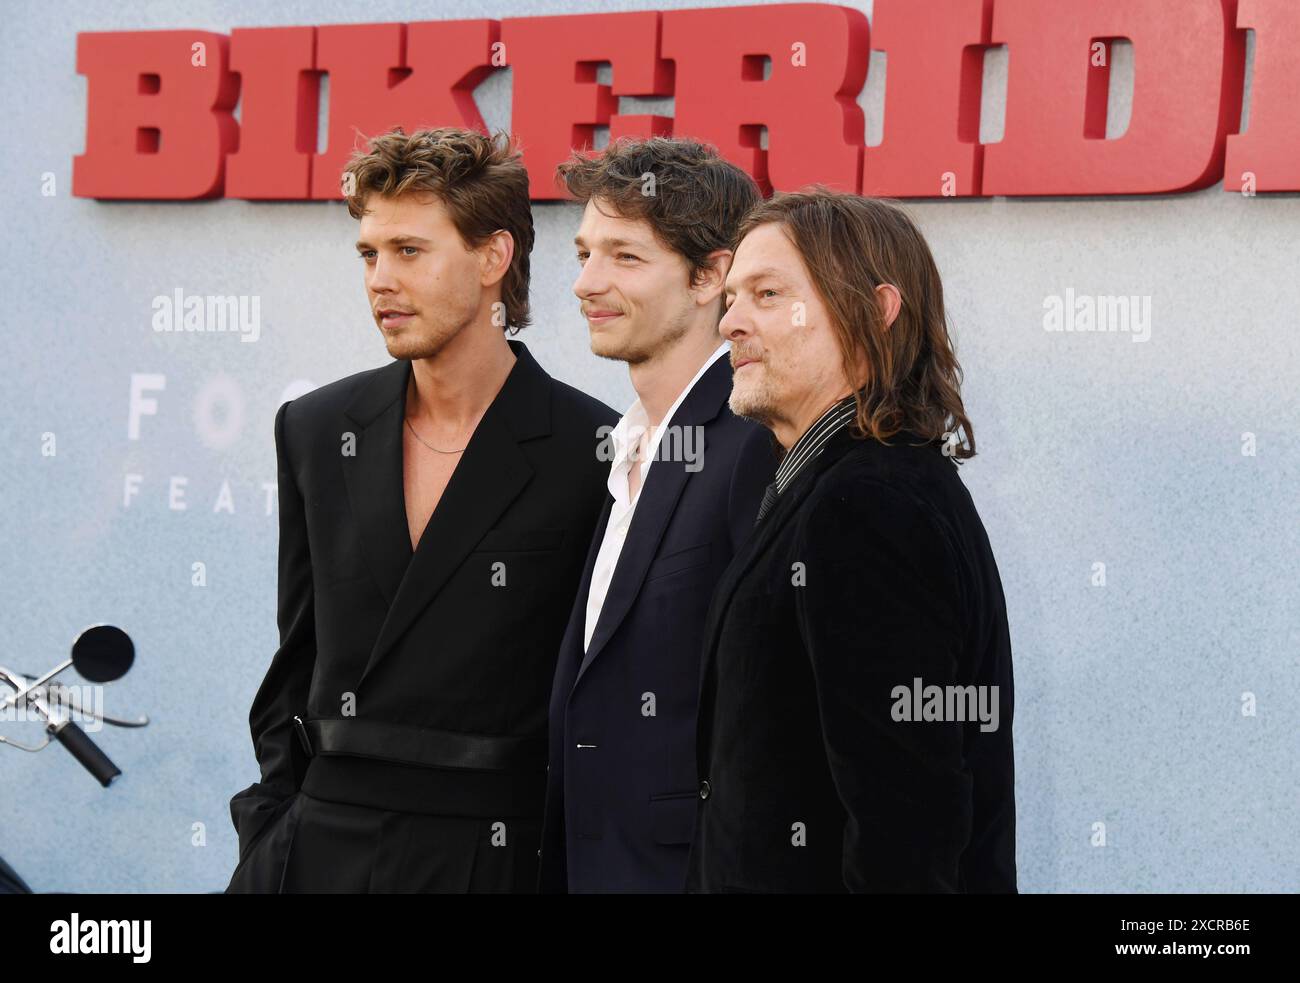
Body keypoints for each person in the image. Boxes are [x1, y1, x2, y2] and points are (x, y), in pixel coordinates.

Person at [225, 127, 616, 893]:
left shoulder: (594, 447)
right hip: (315, 846)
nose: (379, 280)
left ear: (493, 258)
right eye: (369, 254)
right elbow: (294, 660)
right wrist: (269, 833)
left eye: (409, 251)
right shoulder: (315, 427)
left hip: (493, 852)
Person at [688, 189, 1017, 892]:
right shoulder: (840, 490)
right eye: (732, 297)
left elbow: (907, 826)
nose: (729, 324)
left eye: (767, 294)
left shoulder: (866, 508)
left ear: (876, 310)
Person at [538, 138, 776, 893]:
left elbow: (772, 717)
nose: (586, 282)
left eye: (625, 257)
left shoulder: (752, 447)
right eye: (583, 253)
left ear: (712, 275)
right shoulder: (625, 443)